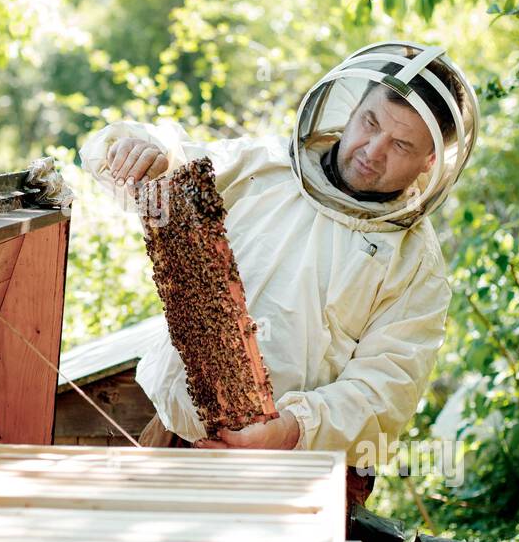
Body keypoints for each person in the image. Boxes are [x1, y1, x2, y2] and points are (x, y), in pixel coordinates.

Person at [77, 42, 479, 512]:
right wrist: (137, 149)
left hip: (300, 479)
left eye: (402, 145)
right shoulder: (261, 166)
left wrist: (289, 429)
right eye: (370, 123)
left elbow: (384, 391)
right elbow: (170, 160)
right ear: (354, 107)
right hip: (179, 443)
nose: (373, 150)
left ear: (430, 162)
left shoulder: (415, 265)